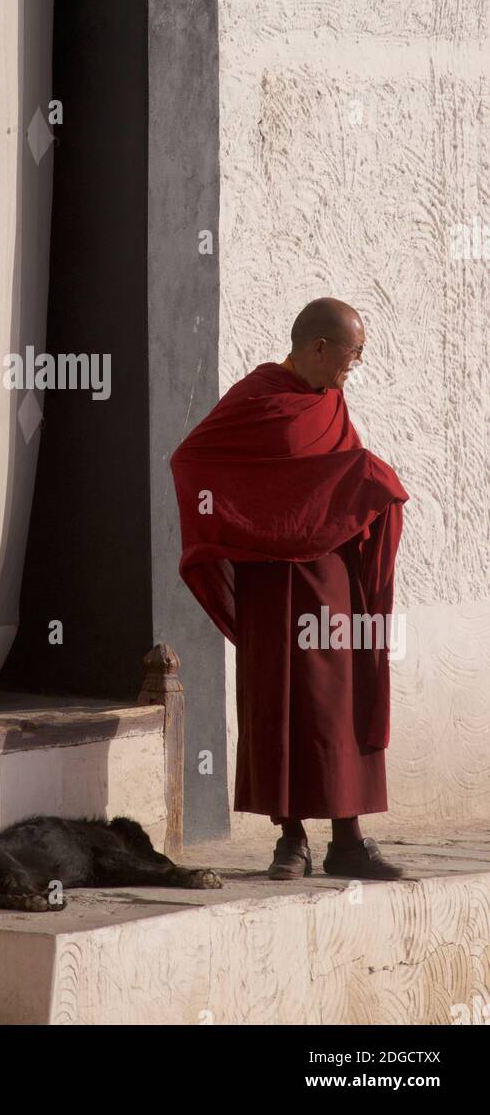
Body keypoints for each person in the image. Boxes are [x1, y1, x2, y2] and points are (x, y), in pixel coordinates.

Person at [171, 298, 409, 880]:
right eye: (351, 356)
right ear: (319, 347)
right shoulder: (257, 400)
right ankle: (291, 841)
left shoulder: (330, 401)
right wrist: (252, 526)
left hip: (329, 578)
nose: (353, 367)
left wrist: (365, 485)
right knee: (276, 702)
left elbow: (330, 477)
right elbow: (191, 460)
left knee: (335, 703)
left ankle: (348, 839)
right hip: (272, 581)